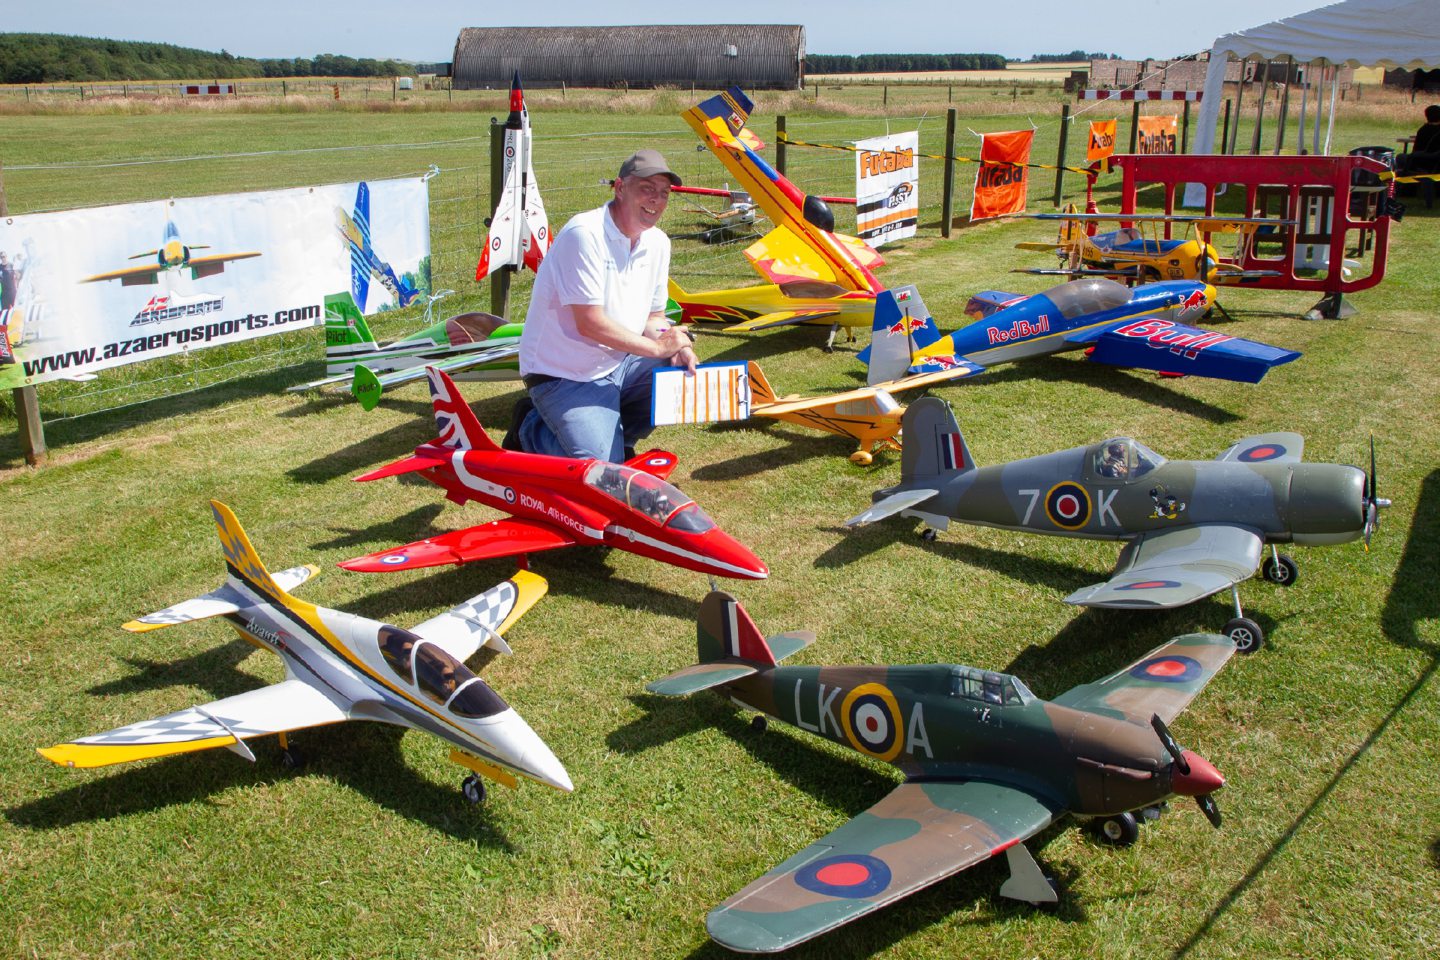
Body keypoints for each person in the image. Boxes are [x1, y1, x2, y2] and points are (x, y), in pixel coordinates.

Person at [507, 149, 697, 462]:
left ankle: (618, 437)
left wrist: (675, 347)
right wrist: (657, 349)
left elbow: (654, 318)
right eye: (646, 189)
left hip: (618, 363)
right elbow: (590, 323)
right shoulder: (584, 234)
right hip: (563, 374)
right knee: (601, 471)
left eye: (664, 193)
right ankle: (530, 429)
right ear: (620, 188)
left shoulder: (658, 242)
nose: (656, 201)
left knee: (678, 371)